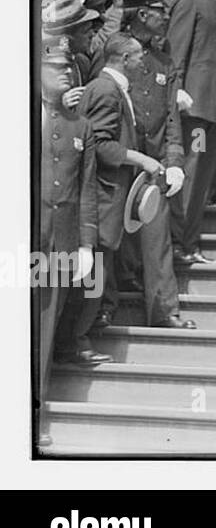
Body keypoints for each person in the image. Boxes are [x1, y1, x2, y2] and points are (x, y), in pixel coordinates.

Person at [59, 34, 171, 363]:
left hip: (107, 195)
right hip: (104, 195)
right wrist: (141, 159)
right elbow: (101, 144)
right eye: (137, 57)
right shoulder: (107, 90)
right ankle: (76, 341)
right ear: (123, 58)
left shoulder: (106, 87)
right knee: (94, 271)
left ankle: (80, 336)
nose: (142, 63)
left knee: (98, 271)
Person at [97, 0, 195, 329]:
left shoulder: (164, 61)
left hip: (152, 166)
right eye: (158, 8)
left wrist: (175, 161)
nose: (165, 14)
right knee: (106, 240)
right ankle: (101, 311)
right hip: (115, 161)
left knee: (157, 239)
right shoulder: (112, 48)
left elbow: (171, 117)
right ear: (140, 14)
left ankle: (164, 310)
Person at [37, 44, 98, 443]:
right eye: (54, 66)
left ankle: (31, 420)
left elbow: (87, 189)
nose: (65, 72)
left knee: (42, 326)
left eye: (68, 67)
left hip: (60, 239)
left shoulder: (81, 125)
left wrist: (86, 244)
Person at [167, 0, 216, 265]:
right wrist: (177, 88)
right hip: (193, 105)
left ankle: (189, 244)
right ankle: (179, 244)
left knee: (201, 177)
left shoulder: (212, 1)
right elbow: (176, 50)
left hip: (210, 106)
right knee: (190, 175)